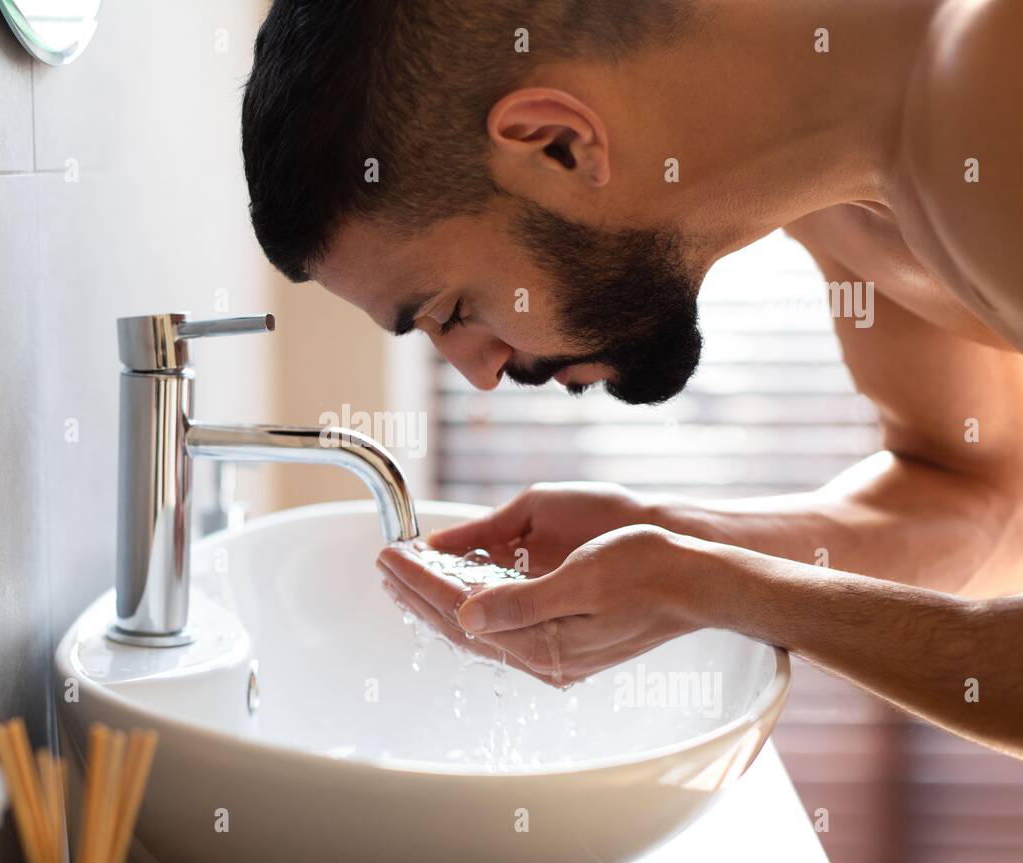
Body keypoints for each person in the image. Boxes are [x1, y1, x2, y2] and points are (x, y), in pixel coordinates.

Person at [240, 0, 1023, 756]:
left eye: (451, 311)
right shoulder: (842, 181)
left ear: (557, 144)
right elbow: (977, 492)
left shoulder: (994, 80)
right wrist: (677, 543)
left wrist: (714, 591)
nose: (478, 373)